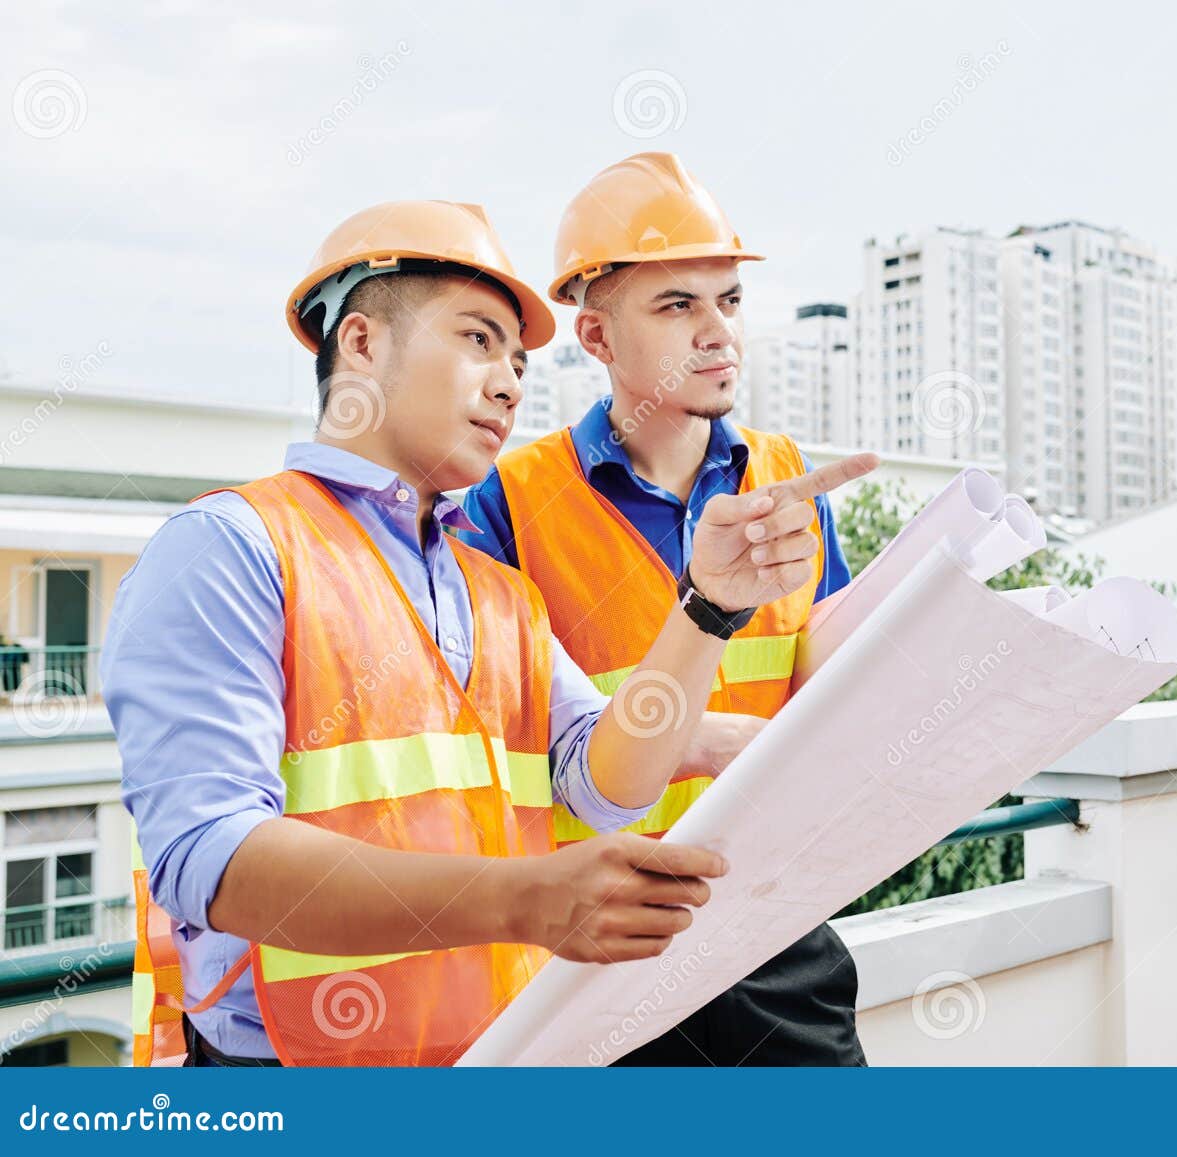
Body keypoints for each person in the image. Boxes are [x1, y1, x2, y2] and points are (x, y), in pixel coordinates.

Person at [107, 199, 872, 1066]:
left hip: (494, 1056)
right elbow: (210, 856)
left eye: (517, 358)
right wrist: (522, 900)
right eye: (477, 339)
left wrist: (705, 608)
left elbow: (604, 780)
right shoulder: (231, 549)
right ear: (360, 345)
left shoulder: (496, 593)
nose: (510, 382)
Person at [458, 155, 870, 1066]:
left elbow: (831, 695)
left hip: (772, 927)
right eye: (678, 305)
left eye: (727, 299)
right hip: (603, 941)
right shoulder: (508, 503)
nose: (717, 330)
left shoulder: (787, 480)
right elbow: (495, 741)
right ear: (597, 337)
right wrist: (701, 738)